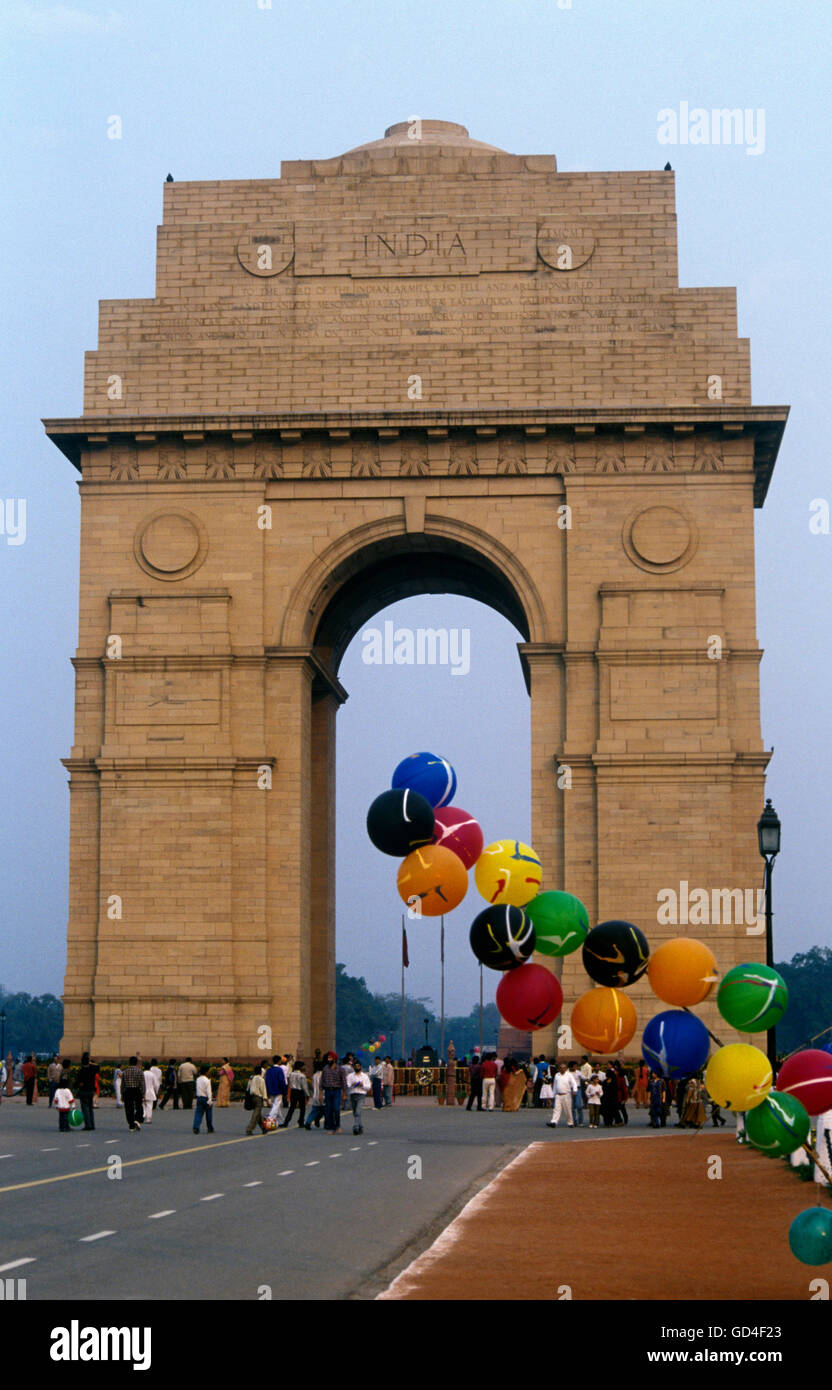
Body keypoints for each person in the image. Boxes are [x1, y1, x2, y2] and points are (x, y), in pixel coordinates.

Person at [321, 1052, 347, 1134]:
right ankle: (332, 1127)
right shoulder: (325, 1068)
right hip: (328, 1091)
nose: (329, 1060)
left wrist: (344, 1094)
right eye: (328, 1058)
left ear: (334, 1059)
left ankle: (337, 1125)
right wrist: (320, 1093)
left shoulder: (340, 1069)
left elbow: (344, 1082)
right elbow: (322, 1081)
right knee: (328, 1110)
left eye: (330, 1058)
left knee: (336, 1109)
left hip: (336, 1091)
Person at [281, 1061, 309, 1128]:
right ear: (300, 1067)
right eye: (303, 1066)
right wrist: (307, 1094)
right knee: (302, 1108)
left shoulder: (291, 1074)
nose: (304, 1067)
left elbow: (290, 1084)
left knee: (292, 1107)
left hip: (293, 1091)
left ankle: (286, 1122)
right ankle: (301, 1121)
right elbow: (304, 1086)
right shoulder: (302, 1075)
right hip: (300, 1092)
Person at [347, 1060, 372, 1135]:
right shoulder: (350, 1076)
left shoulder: (365, 1076)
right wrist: (352, 1084)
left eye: (358, 1066)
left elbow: (368, 1087)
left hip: (361, 1095)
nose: (357, 1067)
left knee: (358, 1111)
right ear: (353, 1067)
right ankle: (360, 1125)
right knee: (355, 1112)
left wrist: (362, 1085)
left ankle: (356, 1127)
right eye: (355, 1066)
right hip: (353, 1094)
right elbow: (347, 1085)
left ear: (361, 1067)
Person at [122, 1056, 145, 1132]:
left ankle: (131, 1125)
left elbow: (122, 1084)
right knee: (139, 1106)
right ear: (136, 1063)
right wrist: (143, 1093)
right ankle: (137, 1119)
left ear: (129, 1062)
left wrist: (122, 1094)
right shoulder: (140, 1071)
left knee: (129, 1108)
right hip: (137, 1090)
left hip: (128, 1090)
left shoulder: (125, 1071)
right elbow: (143, 1084)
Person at [75, 1052, 98, 1131]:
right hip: (91, 1090)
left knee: (85, 1109)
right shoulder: (92, 1069)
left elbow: (78, 1082)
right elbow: (98, 1066)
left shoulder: (81, 1071)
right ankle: (92, 1124)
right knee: (90, 1109)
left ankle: (88, 1125)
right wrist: (90, 1063)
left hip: (83, 1091)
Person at [548, 1063, 575, 1128]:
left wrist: (574, 1090)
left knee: (567, 1110)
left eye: (563, 1068)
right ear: (559, 1069)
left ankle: (570, 1123)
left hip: (566, 1094)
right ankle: (554, 1122)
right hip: (558, 1095)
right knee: (556, 1109)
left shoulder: (569, 1075)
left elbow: (574, 1083)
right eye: (561, 1068)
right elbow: (555, 1085)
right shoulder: (557, 1075)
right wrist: (553, 1095)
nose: (562, 1069)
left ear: (565, 1069)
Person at [245, 1064, 268, 1135]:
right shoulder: (261, 1080)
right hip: (258, 1098)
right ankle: (249, 1129)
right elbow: (263, 1090)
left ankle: (263, 1128)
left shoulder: (251, 1078)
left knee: (258, 1114)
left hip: (252, 1097)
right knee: (256, 1114)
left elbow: (248, 1088)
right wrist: (266, 1100)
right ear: (261, 1072)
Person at [265, 1055, 288, 1124]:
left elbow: (266, 1080)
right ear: (279, 1061)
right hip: (278, 1090)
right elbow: (282, 1081)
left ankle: (281, 1120)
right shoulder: (279, 1070)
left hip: (270, 1089)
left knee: (275, 1105)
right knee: (277, 1104)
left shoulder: (269, 1070)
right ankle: (270, 1117)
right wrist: (284, 1091)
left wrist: (267, 1090)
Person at [194, 1063, 215, 1133]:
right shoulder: (207, 1080)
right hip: (206, 1098)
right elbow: (209, 1092)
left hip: (199, 1098)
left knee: (198, 1113)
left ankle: (196, 1127)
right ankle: (209, 1127)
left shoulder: (198, 1079)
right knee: (208, 1114)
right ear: (206, 1072)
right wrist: (210, 1100)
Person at [304, 1062, 325, 1130]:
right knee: (325, 1110)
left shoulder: (314, 1075)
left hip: (315, 1095)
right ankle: (326, 1123)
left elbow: (312, 1086)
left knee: (315, 1110)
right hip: (322, 1095)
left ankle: (308, 1122)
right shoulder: (324, 1075)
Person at [569, 1062, 585, 1126]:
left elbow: (584, 1078)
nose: (576, 1067)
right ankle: (573, 1121)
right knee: (571, 1107)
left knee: (579, 1105)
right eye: (574, 1066)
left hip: (578, 1089)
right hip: (570, 1089)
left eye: (576, 1066)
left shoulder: (578, 1072)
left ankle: (580, 1121)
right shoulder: (567, 1073)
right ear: (571, 1067)